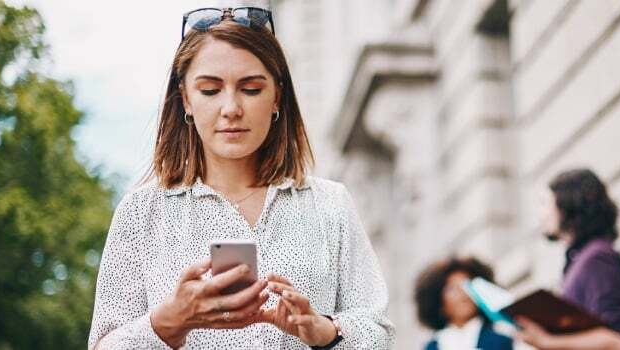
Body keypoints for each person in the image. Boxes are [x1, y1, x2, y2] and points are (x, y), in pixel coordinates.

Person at [87, 7, 393, 349]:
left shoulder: (329, 204)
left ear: (276, 95)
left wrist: (323, 330)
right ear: (186, 98)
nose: (231, 108)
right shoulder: (142, 212)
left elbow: (379, 334)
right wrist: (167, 322)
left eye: (250, 89)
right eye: (209, 90)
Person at [515, 169, 620, 350]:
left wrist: (547, 342)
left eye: (544, 203)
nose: (540, 215)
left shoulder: (598, 258)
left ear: (568, 204)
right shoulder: (582, 259)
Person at [414, 257, 514, 350]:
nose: (463, 293)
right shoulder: (431, 347)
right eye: (452, 288)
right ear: (438, 301)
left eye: (467, 284)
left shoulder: (503, 335)